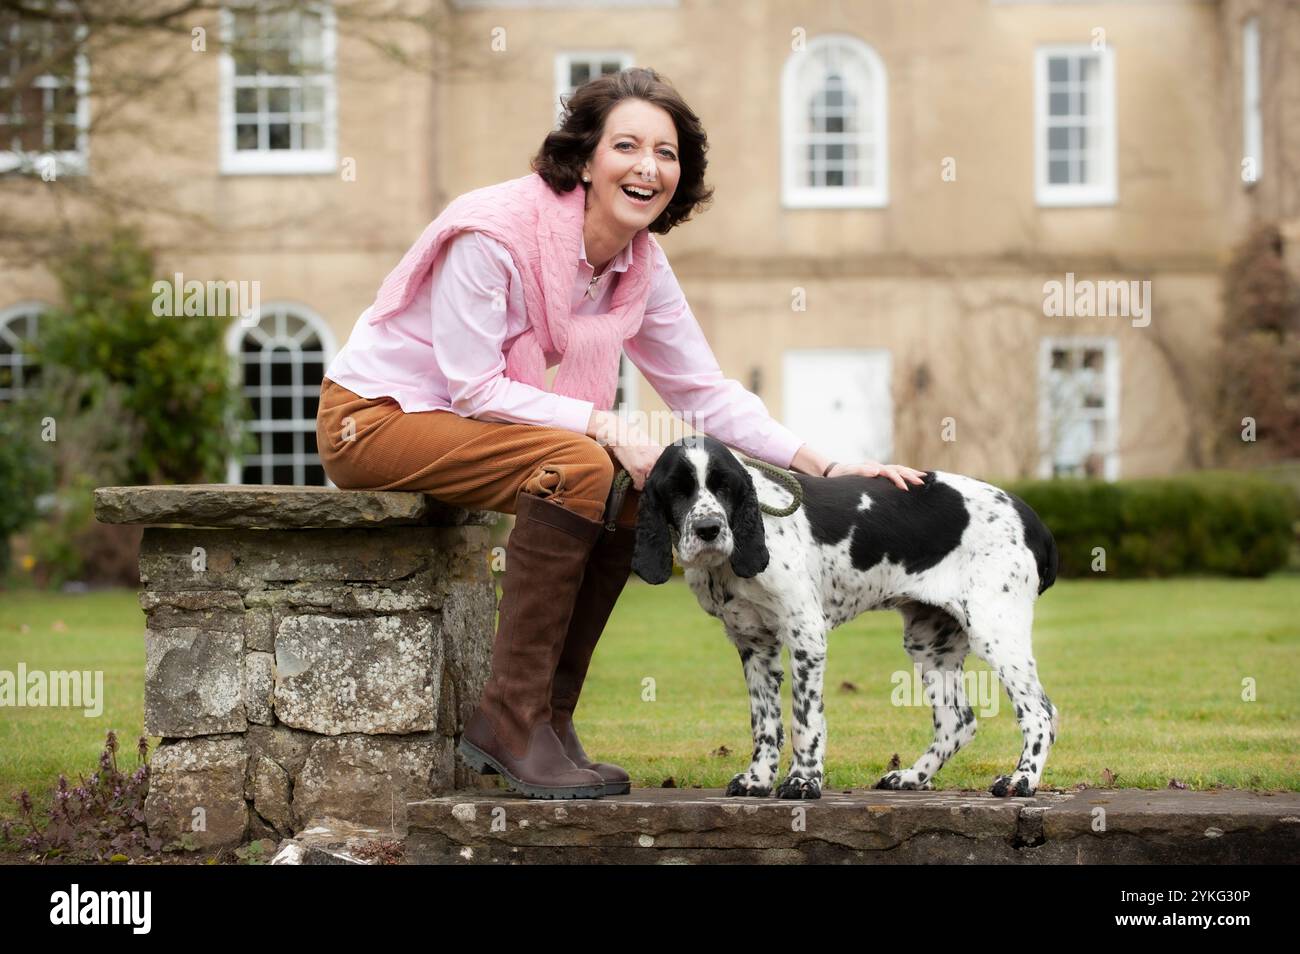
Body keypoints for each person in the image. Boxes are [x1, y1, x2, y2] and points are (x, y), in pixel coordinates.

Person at [315, 67, 926, 800]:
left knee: (641, 481)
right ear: (583, 157)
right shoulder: (492, 234)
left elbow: (702, 391)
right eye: (627, 146)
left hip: (462, 425)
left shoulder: (638, 266)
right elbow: (473, 387)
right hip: (373, 419)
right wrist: (604, 423)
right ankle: (510, 720)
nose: (648, 167)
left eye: (666, 154)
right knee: (583, 462)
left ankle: (549, 720)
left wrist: (830, 464)